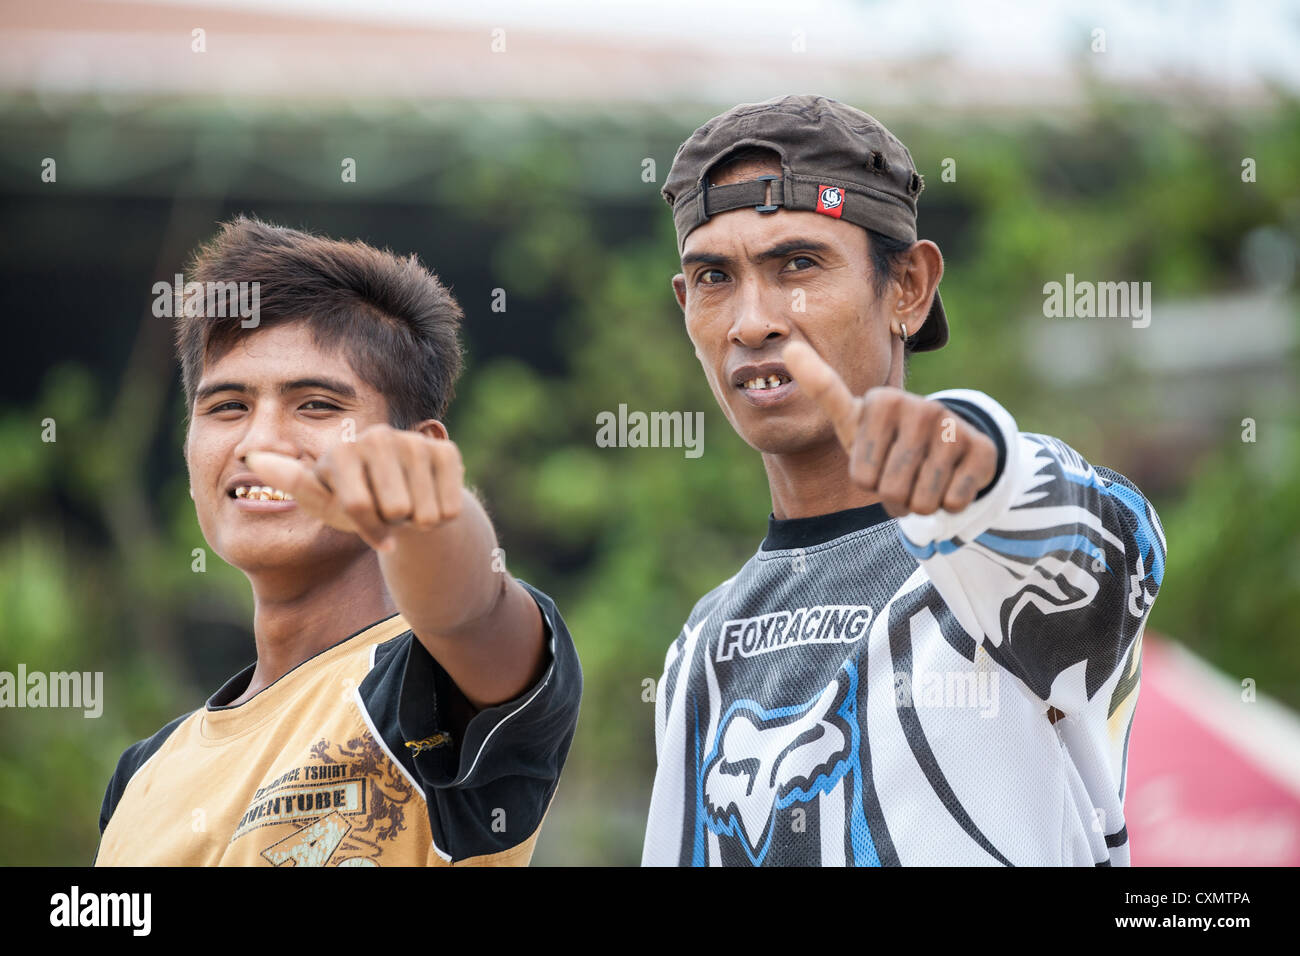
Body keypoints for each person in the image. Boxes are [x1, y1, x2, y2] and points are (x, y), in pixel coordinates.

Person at [641, 95, 1164, 866]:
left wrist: (973, 457)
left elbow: (1096, 534)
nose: (752, 322)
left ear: (909, 289)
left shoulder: (991, 556)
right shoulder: (702, 642)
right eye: (715, 276)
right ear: (689, 309)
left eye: (798, 264)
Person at [95, 216, 581, 866]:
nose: (259, 442)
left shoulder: (433, 689)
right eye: (227, 407)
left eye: (317, 405)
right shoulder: (142, 775)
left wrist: (428, 516)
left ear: (421, 451)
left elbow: (473, 611)